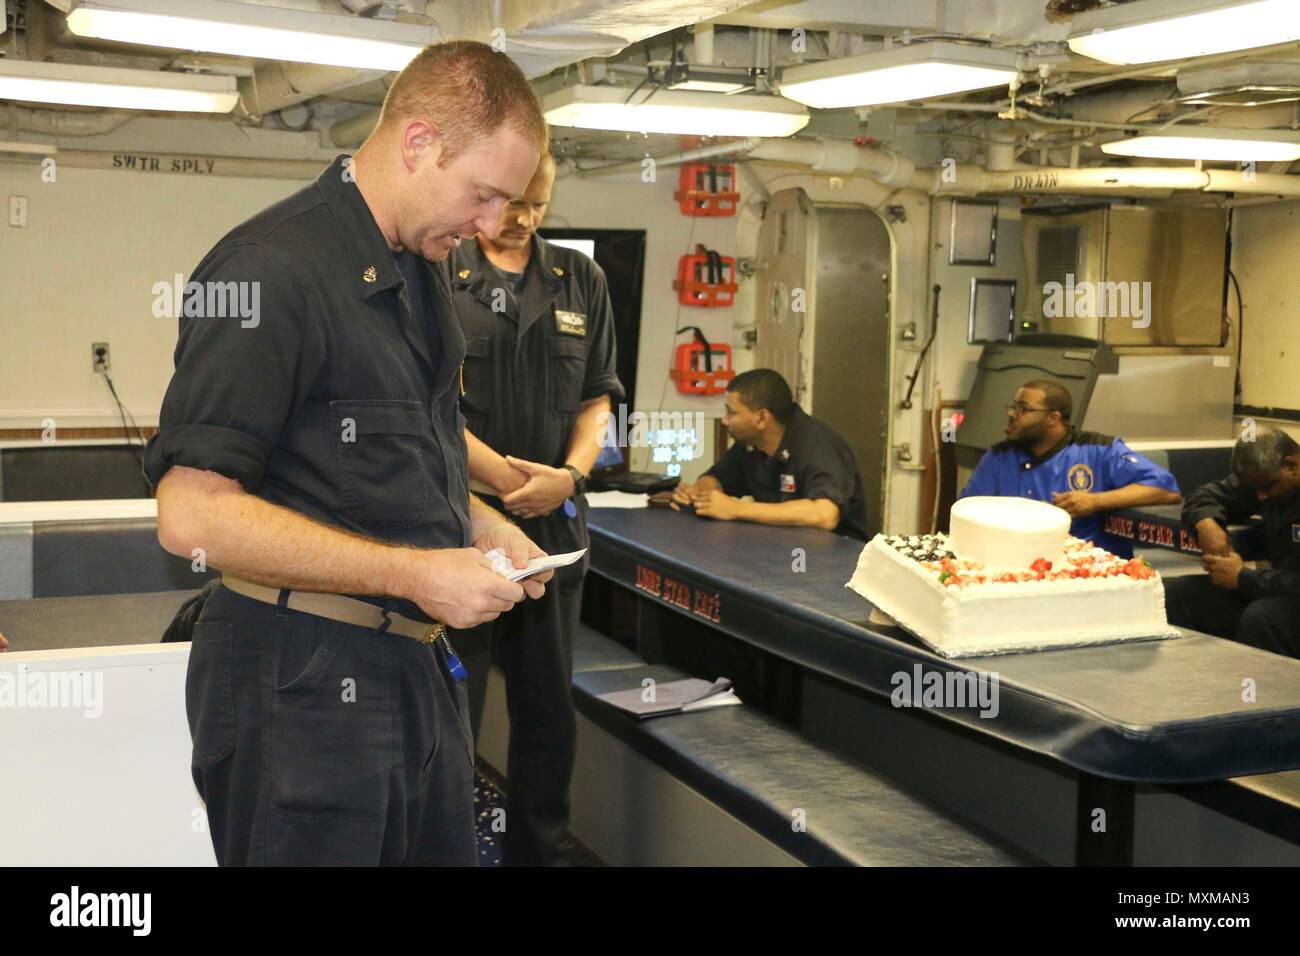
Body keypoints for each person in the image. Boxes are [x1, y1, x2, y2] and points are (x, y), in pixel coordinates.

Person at [143, 41, 554, 866]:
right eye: (482, 195)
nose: (489, 226)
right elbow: (190, 518)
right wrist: (416, 573)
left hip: (413, 673)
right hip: (298, 687)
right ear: (419, 143)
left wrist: (479, 525)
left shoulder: (420, 270)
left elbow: (404, 450)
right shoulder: (269, 272)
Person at [448, 150, 624, 865]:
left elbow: (597, 398)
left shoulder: (581, 278)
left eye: (538, 205)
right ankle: (448, 849)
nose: (523, 218)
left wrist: (571, 476)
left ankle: (538, 854)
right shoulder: (442, 269)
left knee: (548, 712)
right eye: (512, 202)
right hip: (462, 526)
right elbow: (427, 405)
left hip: (554, 527)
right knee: (453, 710)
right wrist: (505, 479)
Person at [960, 379, 1179, 556]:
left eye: (1023, 409)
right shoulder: (999, 457)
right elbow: (967, 512)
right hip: (1018, 565)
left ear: (1052, 418)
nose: (1011, 413)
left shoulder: (1099, 449)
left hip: (1095, 570)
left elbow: (1166, 490)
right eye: (1012, 406)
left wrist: (1095, 501)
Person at [671, 369, 869, 539]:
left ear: (762, 418)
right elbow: (718, 477)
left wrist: (735, 509)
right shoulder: (751, 444)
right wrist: (699, 493)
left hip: (832, 559)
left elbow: (825, 514)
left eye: (731, 412)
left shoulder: (818, 446)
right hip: (782, 550)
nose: (725, 420)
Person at [1164, 429, 1300, 658]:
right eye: (1255, 489)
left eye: (1266, 487)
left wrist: (1243, 578)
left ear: (1291, 465)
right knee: (1180, 593)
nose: (1261, 496)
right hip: (1276, 590)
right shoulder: (1266, 480)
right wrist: (1207, 523)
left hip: (1286, 597)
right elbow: (1204, 495)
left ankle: (1259, 681)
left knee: (1262, 617)